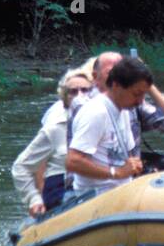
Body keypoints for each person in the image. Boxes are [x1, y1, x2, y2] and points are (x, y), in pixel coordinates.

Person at [65, 56, 155, 196]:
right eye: (136, 94)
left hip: (120, 191)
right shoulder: (96, 113)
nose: (140, 101)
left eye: (143, 95)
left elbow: (123, 160)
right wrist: (116, 173)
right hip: (95, 196)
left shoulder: (124, 110)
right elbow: (73, 161)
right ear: (116, 85)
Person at [11, 67, 93, 217]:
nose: (80, 96)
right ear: (65, 98)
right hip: (60, 190)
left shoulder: (106, 120)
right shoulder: (54, 128)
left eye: (85, 90)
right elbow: (21, 167)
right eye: (73, 92)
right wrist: (34, 199)